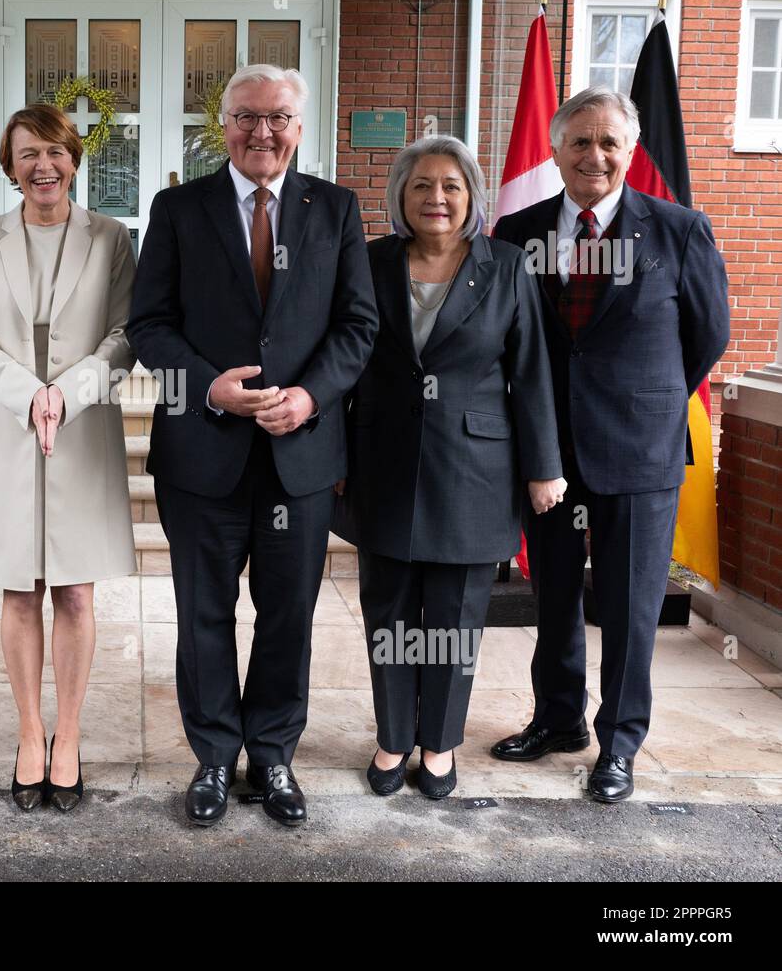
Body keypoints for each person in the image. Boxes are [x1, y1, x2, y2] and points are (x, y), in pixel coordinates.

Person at [128, 64, 377, 827]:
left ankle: (272, 755)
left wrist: (308, 396)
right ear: (222, 125)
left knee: (286, 615)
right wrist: (209, 386)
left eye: (277, 118)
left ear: (299, 128)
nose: (261, 132)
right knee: (203, 612)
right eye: (245, 117)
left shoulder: (334, 209)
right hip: (202, 455)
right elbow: (148, 325)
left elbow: (357, 325)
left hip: (297, 459)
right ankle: (211, 756)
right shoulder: (177, 208)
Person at [490, 86, 730, 802]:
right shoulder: (518, 229)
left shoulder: (679, 229)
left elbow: (706, 336)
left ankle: (620, 743)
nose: (594, 155)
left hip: (638, 451)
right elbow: (510, 337)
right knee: (554, 595)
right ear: (556, 149)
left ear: (629, 151)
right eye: (580, 141)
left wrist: (645, 401)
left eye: (609, 143)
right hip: (547, 449)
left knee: (627, 607)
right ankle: (558, 719)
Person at [333, 136, 565, 799]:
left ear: (472, 198)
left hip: (476, 469)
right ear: (400, 197)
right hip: (382, 463)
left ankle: (437, 745)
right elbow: (346, 362)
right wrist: (337, 456)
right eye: (422, 186)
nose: (437, 198)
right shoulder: (370, 262)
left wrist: (544, 467)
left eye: (451, 186)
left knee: (456, 618)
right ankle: (391, 739)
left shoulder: (509, 267)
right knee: (390, 614)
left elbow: (532, 374)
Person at [0, 104, 137, 812]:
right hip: (8, 427)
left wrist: (70, 392)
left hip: (83, 430)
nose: (43, 166)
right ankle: (31, 733)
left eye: (55, 152)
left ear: (74, 159)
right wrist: (29, 394)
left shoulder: (111, 237)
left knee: (77, 591)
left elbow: (126, 332)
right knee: (20, 590)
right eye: (28, 154)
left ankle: (71, 736)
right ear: (10, 167)